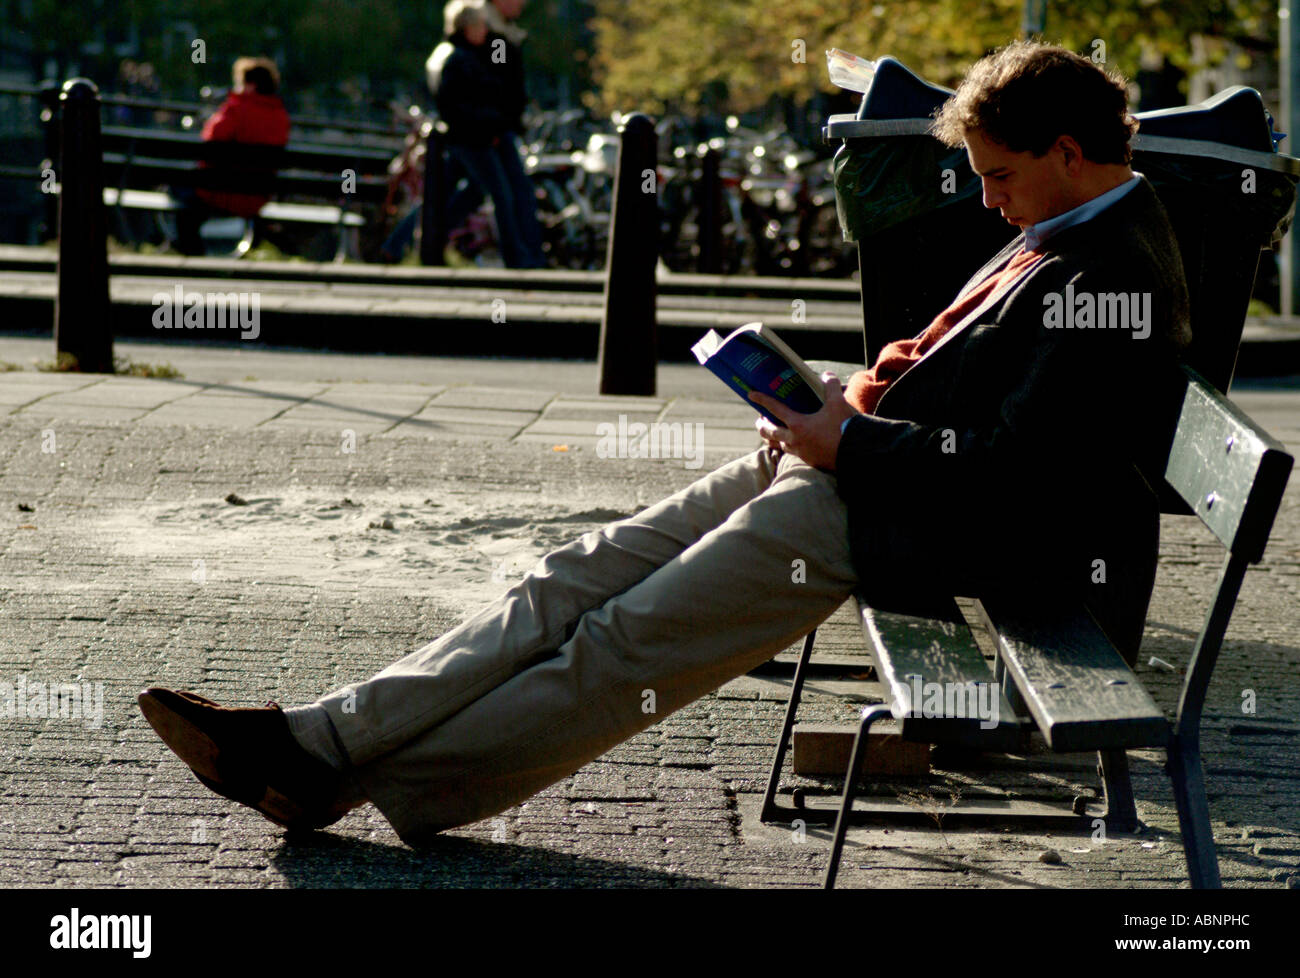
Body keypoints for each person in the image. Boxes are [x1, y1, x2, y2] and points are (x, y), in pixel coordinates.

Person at [138, 41, 1192, 844]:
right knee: (573, 576)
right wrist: (841, 407)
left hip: (977, 537)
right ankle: (323, 739)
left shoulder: (1112, 277)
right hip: (886, 476)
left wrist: (850, 449)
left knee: (627, 641)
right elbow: (952, 370)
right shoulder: (1060, 231)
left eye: (997, 174)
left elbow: (1015, 477)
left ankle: (369, 776)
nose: (985, 197)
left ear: (1067, 151)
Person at [170, 57, 290, 256]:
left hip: (221, 193)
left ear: (250, 85)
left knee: (180, 190)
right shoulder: (280, 115)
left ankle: (191, 255)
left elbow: (209, 142)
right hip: (257, 195)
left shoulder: (237, 109)